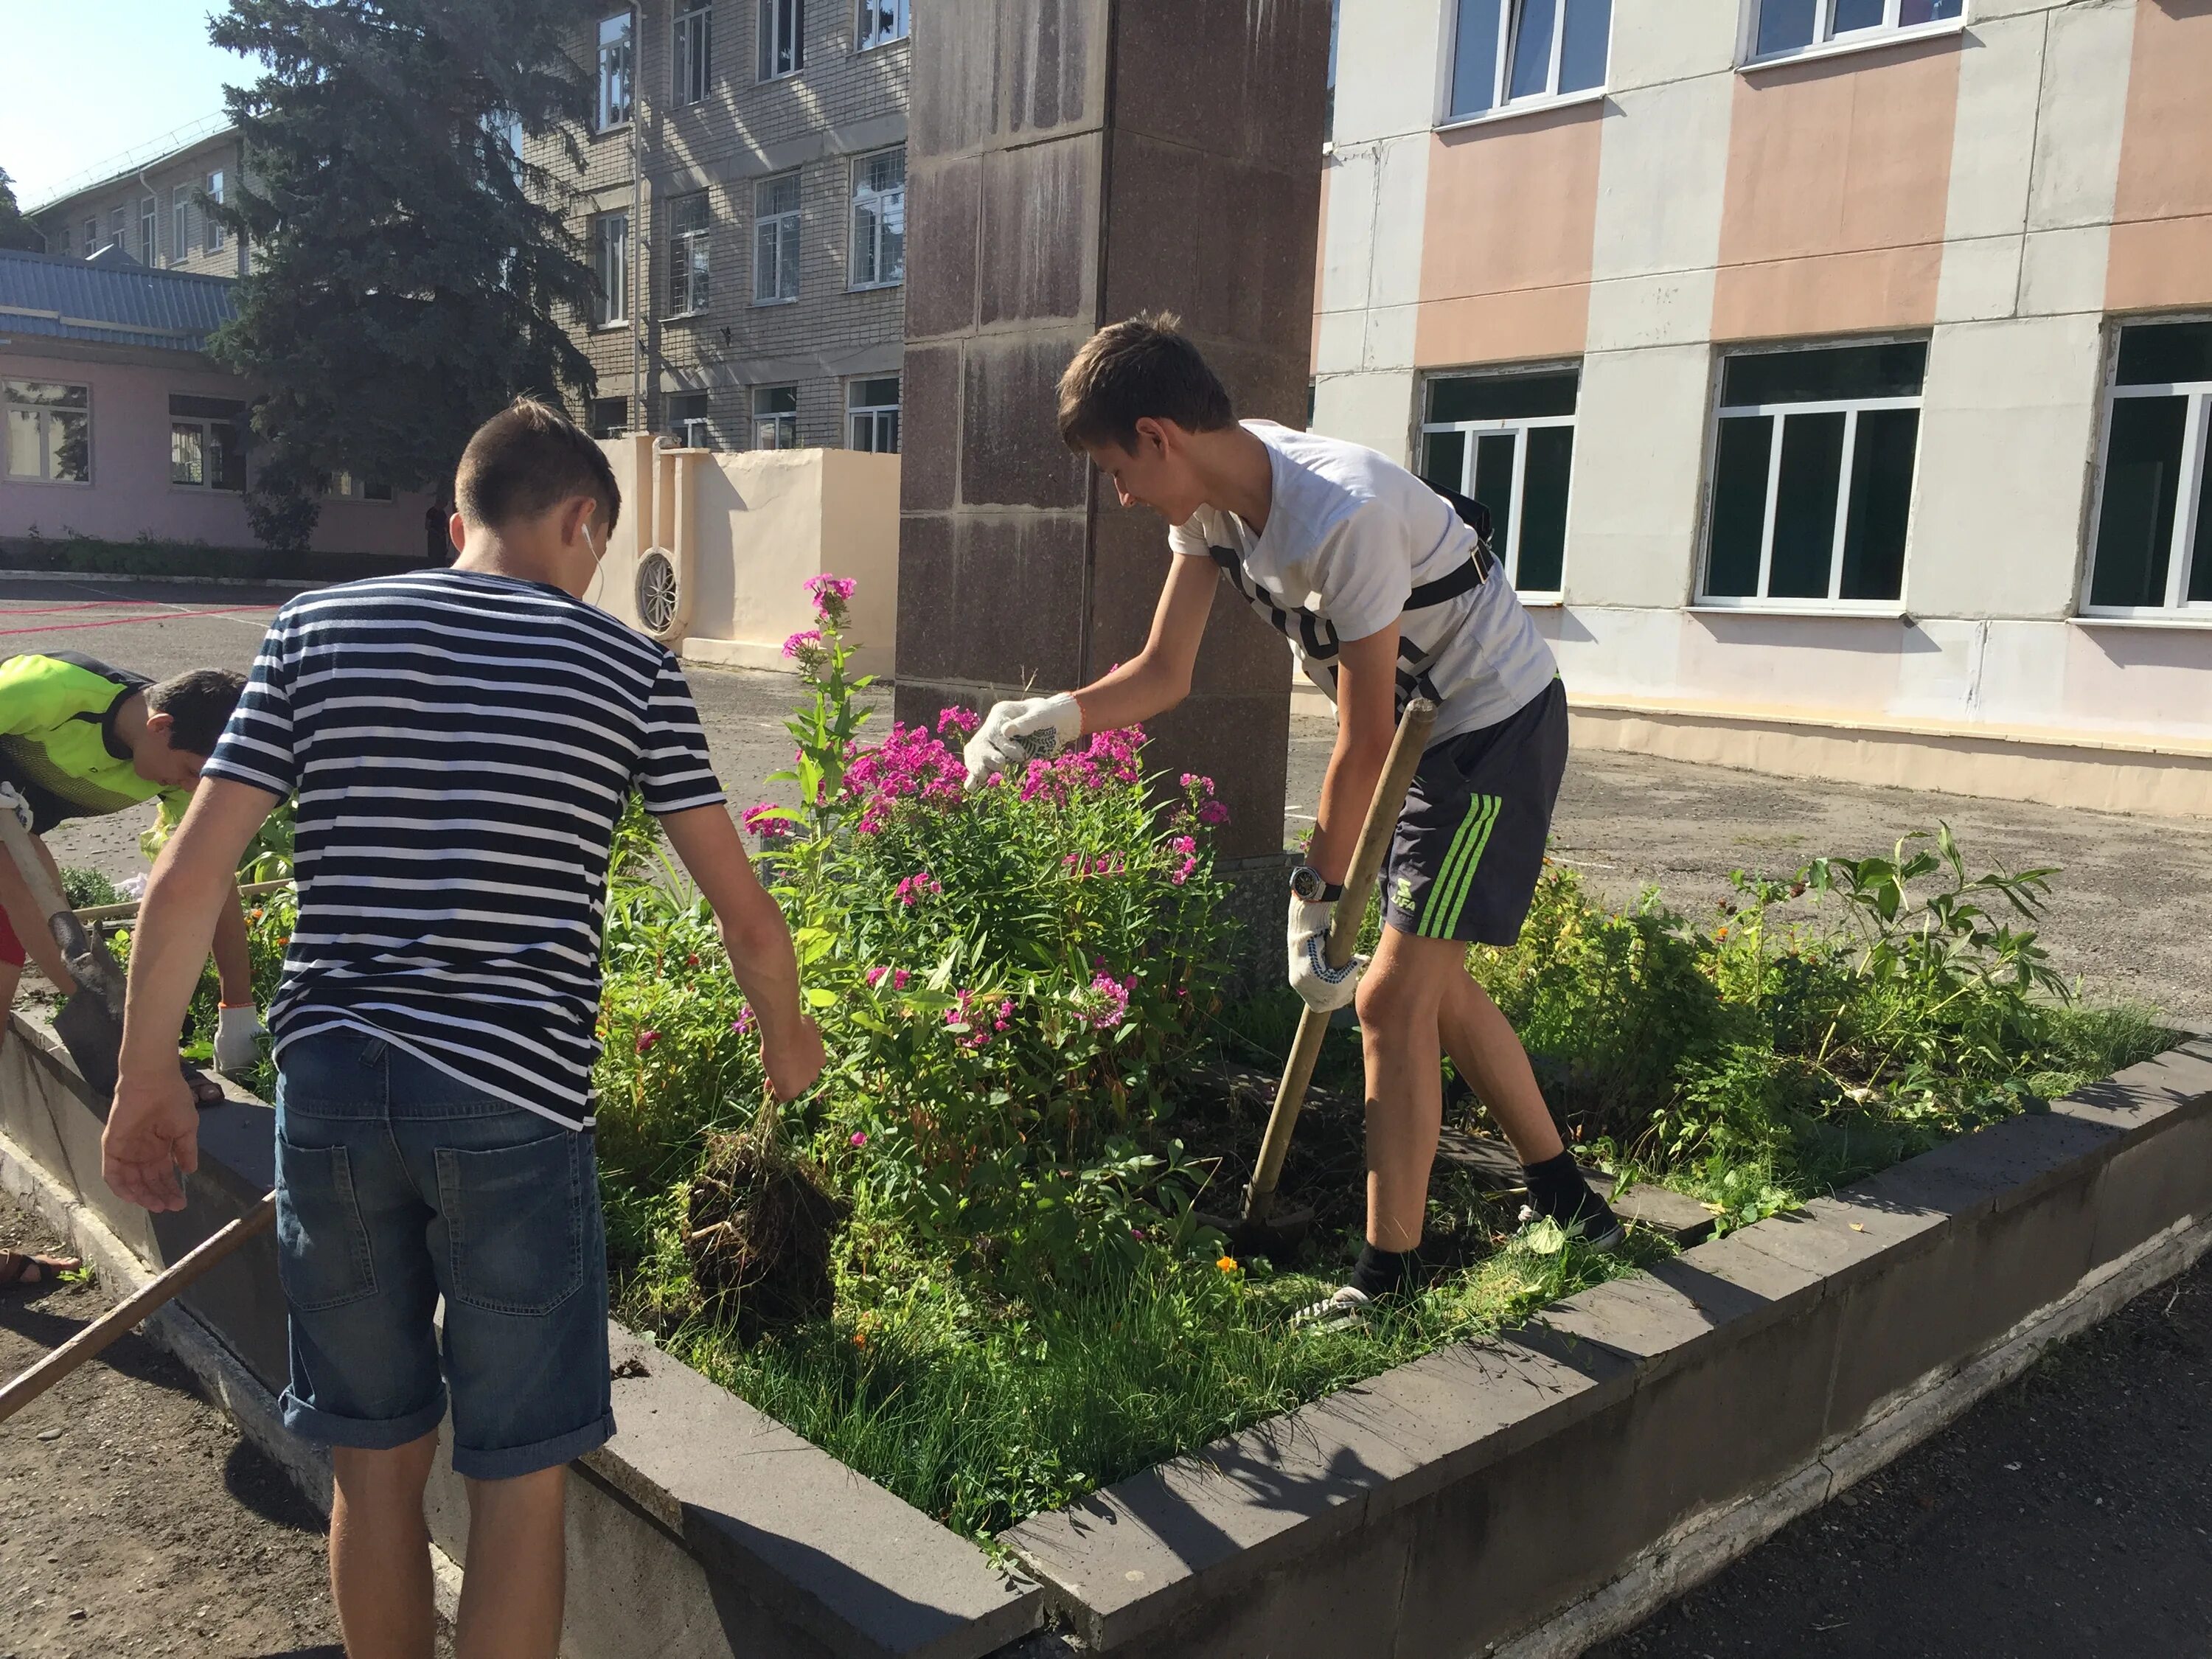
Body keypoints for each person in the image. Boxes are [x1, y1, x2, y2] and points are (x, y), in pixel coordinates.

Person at [101, 398, 825, 1659]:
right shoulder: (629, 667)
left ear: (455, 525)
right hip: (513, 1104)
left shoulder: (316, 630)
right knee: (520, 1472)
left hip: (329, 1097)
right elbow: (746, 917)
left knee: (373, 1467)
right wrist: (786, 1036)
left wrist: (146, 1075)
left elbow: (190, 874)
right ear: (580, 521)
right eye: (594, 547)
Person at [963, 315, 1621, 1326]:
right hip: (1421, 735)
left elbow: (1361, 744)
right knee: (1431, 992)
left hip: (1489, 737)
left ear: (1159, 434)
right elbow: (1163, 672)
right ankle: (1571, 1198)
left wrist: (1312, 899)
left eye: (1119, 471)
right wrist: (1055, 719)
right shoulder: (1216, 509)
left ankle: (1387, 1276)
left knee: (1385, 1004)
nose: (1126, 496)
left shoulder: (1340, 515)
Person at [0, 654, 260, 1091]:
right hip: (12, 850)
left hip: (13, 853)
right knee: (12, 855)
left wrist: (238, 1006)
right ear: (159, 727)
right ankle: (113, 1028)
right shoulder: (47, 689)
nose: (193, 788)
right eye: (192, 773)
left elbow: (208, 878)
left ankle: (112, 1026)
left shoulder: (177, 752)